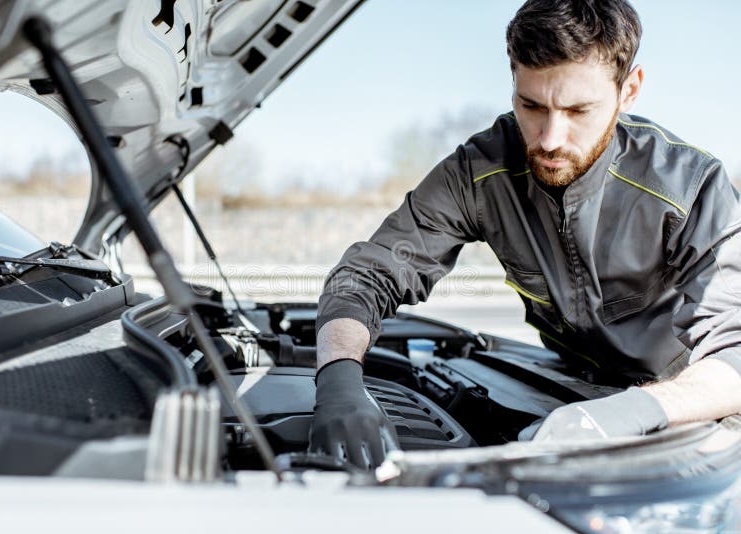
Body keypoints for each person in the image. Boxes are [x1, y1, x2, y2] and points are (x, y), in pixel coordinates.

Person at [308, 0, 741, 469]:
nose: (551, 138)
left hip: (686, 409)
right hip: (564, 385)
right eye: (531, 105)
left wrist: (632, 410)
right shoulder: (479, 172)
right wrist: (338, 381)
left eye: (579, 110)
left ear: (629, 90)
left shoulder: (689, 188)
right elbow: (365, 276)